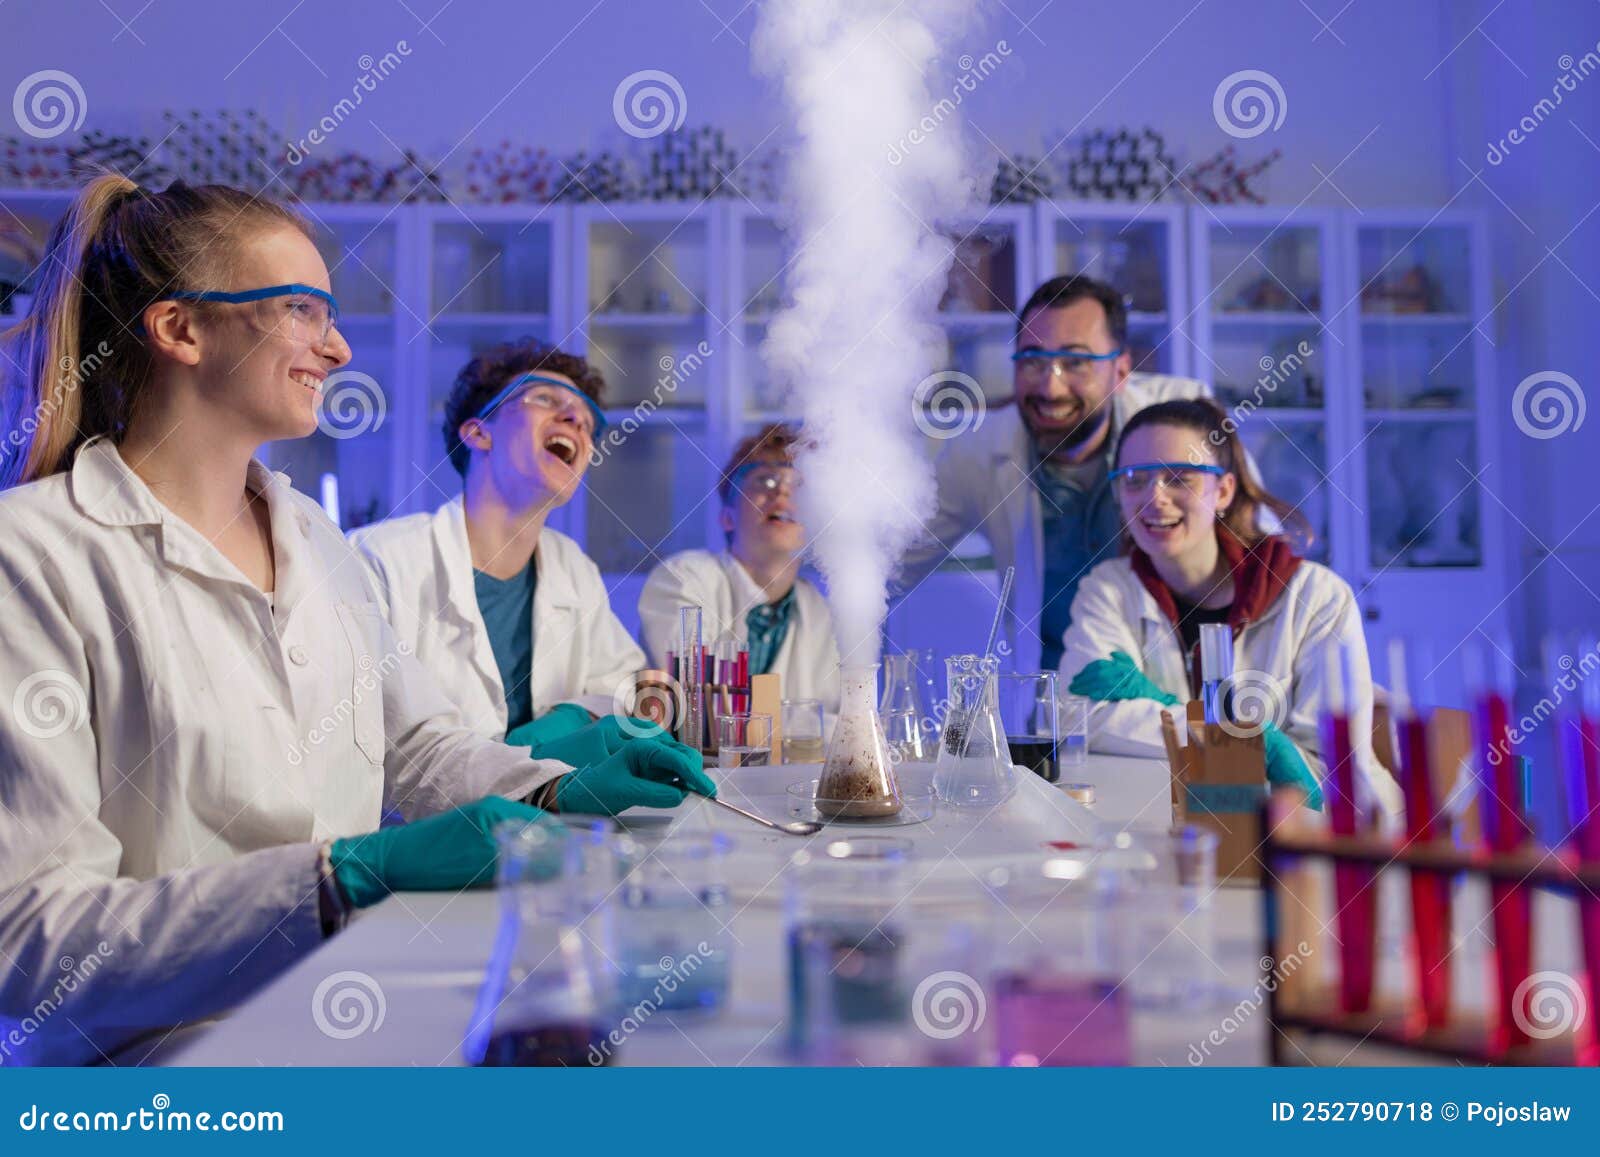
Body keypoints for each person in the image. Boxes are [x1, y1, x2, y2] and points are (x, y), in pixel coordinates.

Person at [0, 176, 712, 1066]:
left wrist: (555, 789)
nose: (336, 347)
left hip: (350, 1002)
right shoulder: (32, 555)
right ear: (181, 328)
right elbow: (23, 934)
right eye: (301, 308)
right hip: (160, 1070)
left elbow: (416, 746)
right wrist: (337, 879)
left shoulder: (316, 542)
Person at [1059, 398, 1402, 814]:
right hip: (1183, 824)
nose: (1154, 497)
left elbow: (1331, 767)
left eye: (1179, 478)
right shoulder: (1108, 589)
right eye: (1134, 479)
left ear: (1222, 491)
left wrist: (1171, 717)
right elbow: (1084, 717)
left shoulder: (1317, 596)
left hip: (1331, 831)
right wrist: (1247, 739)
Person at [895, 274, 1214, 674]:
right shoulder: (976, 453)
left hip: (1174, 688)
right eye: (1033, 360)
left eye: (1075, 362)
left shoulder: (1183, 424)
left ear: (1120, 371)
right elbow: (890, 566)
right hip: (1052, 695)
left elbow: (1256, 552)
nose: (1050, 388)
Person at [350, 340, 645, 746]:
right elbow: (361, 738)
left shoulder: (575, 570)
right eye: (545, 398)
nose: (576, 418)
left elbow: (622, 688)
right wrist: (507, 765)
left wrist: (574, 717)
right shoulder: (379, 560)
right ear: (478, 432)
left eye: (587, 420)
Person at [638, 423, 841, 712]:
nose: (783, 492)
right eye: (764, 480)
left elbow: (836, 720)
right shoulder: (683, 580)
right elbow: (701, 707)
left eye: (800, 486)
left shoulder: (821, 613)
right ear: (727, 516)